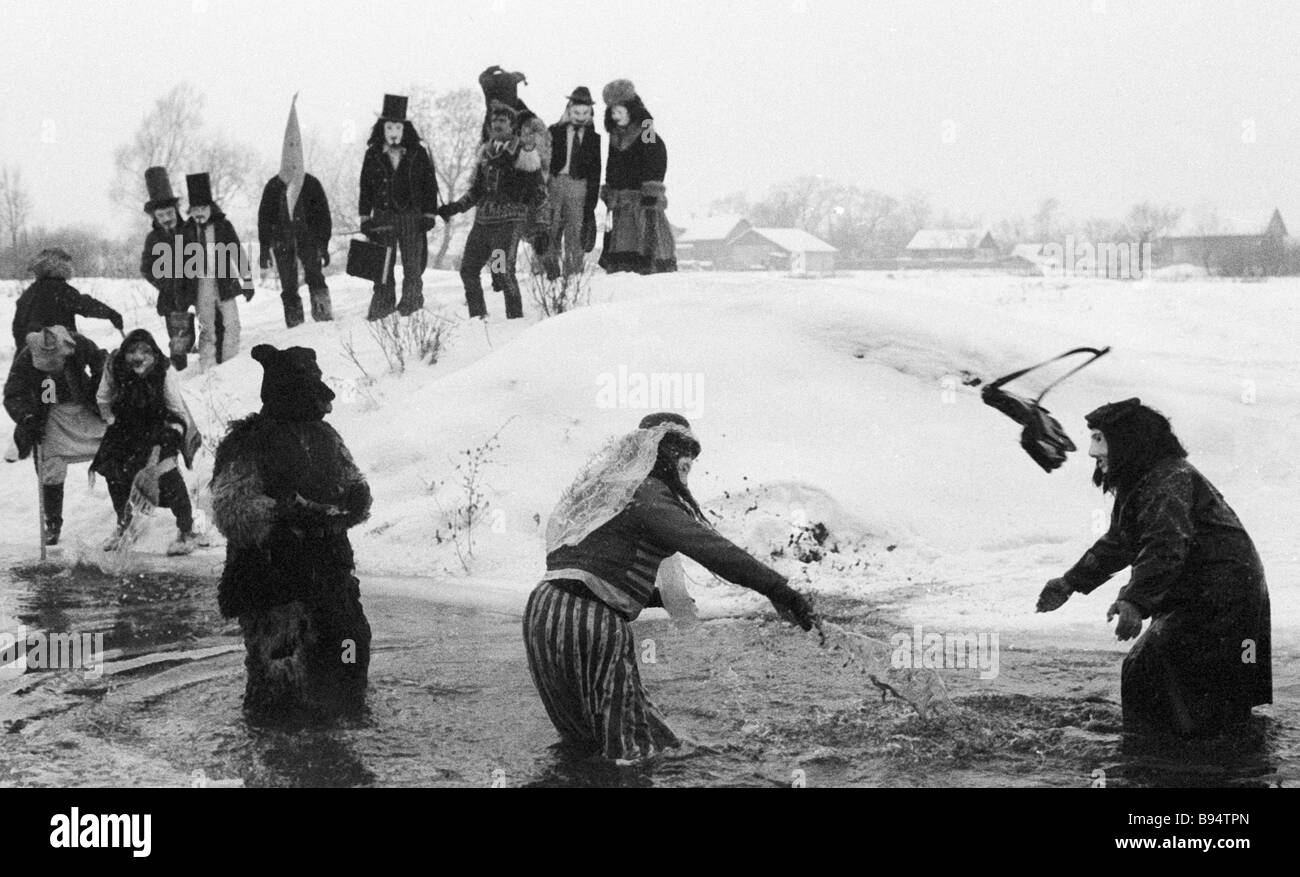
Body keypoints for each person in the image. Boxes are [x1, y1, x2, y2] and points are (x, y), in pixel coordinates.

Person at [524, 412, 818, 761]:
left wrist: (653, 598)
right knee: (630, 751)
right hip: (591, 624)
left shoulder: (601, 491)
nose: (687, 472)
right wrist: (777, 589)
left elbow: (583, 567)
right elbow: (711, 549)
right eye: (686, 462)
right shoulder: (648, 494)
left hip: (542, 612)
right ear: (665, 454)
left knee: (583, 737)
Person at [1037, 398, 1272, 737]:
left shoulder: (1167, 479)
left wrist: (1135, 601)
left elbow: (1165, 545)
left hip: (1221, 597)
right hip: (1211, 592)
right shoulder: (1146, 478)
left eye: (1100, 438)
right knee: (1187, 686)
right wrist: (1070, 582)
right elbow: (1121, 541)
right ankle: (1201, 755)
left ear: (1128, 441)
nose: (1091, 451)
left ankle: (1159, 759)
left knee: (1149, 672)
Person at [210, 344, 373, 714]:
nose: (322, 396)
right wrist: (289, 515)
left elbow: (354, 484)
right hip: (273, 581)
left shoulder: (326, 436)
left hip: (329, 574)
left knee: (349, 650)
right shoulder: (247, 441)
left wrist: (349, 504)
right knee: (279, 680)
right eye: (308, 384)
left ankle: (344, 728)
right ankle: (276, 751)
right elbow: (231, 508)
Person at [92, 329, 203, 555]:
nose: (138, 357)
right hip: (124, 426)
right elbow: (102, 398)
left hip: (158, 426)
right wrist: (113, 421)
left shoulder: (164, 369)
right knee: (116, 476)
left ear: (154, 353)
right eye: (132, 351)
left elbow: (175, 408)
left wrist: (171, 436)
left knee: (167, 476)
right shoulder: (115, 366)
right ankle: (124, 525)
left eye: (144, 351)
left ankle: (186, 529)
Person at [439, 102, 547, 320]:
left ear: (512, 125)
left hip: (506, 226)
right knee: (468, 271)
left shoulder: (524, 152)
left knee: (502, 271)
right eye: (494, 121)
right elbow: (477, 190)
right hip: (482, 225)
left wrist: (542, 227)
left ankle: (514, 321)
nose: (497, 125)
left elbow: (540, 193)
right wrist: (455, 208)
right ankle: (477, 319)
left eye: (502, 121)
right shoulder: (485, 152)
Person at [3, 326, 107, 546]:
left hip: (84, 407)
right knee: (50, 465)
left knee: (113, 447)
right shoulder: (26, 356)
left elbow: (103, 365)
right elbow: (13, 394)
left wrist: (99, 390)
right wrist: (28, 417)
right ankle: (52, 522)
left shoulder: (77, 343)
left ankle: (126, 508)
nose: (52, 366)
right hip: (49, 411)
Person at [357, 94, 440, 320]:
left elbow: (429, 185)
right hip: (383, 217)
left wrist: (429, 214)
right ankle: (382, 307)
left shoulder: (418, 153)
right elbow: (365, 186)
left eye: (398, 127)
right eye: (389, 127)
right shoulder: (372, 155)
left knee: (413, 265)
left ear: (405, 129)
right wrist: (365, 218)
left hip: (412, 217)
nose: (393, 132)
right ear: (382, 129)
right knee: (382, 266)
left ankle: (411, 306)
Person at [258, 95, 333, 327]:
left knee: (315, 276)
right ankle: (295, 323)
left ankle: (323, 317)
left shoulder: (311, 184)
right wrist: (264, 248)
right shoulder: (273, 186)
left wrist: (323, 245)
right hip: (282, 242)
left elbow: (323, 217)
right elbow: (264, 218)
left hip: (308, 240)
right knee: (288, 284)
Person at [598, 79, 677, 275]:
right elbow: (611, 163)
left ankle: (652, 265)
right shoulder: (615, 135)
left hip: (642, 197)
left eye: (620, 111)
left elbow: (656, 157)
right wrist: (609, 186)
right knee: (624, 236)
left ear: (630, 109)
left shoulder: (646, 130)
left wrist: (652, 188)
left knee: (647, 232)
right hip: (622, 198)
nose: (616, 116)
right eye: (613, 112)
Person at [179, 173, 253, 371]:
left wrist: (247, 280)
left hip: (224, 282)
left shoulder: (222, 226)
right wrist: (183, 292)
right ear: (191, 211)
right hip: (200, 285)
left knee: (232, 323)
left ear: (211, 208)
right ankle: (208, 368)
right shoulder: (186, 231)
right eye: (195, 210)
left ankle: (231, 364)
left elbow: (237, 251)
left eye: (203, 209)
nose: (199, 213)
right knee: (207, 328)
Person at [11, 248, 123, 351]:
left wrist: (25, 350)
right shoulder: (60, 290)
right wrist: (111, 314)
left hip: (28, 357)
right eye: (68, 264)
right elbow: (85, 305)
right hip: (56, 355)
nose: (71, 267)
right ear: (59, 267)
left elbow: (17, 328)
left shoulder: (29, 293)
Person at [544, 86, 601, 279]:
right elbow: (544, 160)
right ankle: (548, 273)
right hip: (555, 183)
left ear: (590, 113)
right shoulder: (553, 131)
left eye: (585, 113)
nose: (580, 117)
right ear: (569, 110)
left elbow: (596, 171)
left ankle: (574, 276)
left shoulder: (594, 138)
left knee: (575, 233)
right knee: (550, 228)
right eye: (577, 112)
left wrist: (591, 204)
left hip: (580, 187)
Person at [138, 166, 193, 370]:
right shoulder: (153, 239)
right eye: (161, 216)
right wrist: (165, 283)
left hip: (194, 287)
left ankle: (214, 366)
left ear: (176, 211)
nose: (166, 219)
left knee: (208, 326)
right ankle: (181, 371)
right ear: (155, 218)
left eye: (169, 213)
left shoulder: (189, 231)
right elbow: (146, 268)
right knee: (178, 337)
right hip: (171, 294)